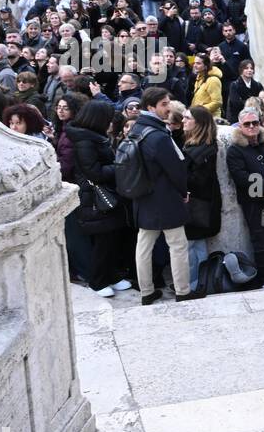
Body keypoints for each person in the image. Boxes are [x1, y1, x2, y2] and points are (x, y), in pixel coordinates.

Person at [128, 88, 194, 303]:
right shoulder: (158, 135)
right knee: (177, 245)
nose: (169, 108)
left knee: (144, 245)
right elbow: (176, 168)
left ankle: (147, 292)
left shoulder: (136, 129)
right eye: (164, 104)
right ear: (151, 108)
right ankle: (183, 292)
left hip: (143, 196)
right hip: (165, 197)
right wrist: (183, 192)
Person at [67, 98, 134, 298]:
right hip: (95, 198)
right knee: (103, 242)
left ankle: (112, 276)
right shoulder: (85, 141)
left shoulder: (92, 137)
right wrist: (120, 165)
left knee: (112, 239)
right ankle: (98, 281)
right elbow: (94, 173)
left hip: (104, 196)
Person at [181, 106, 222, 291]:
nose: (183, 121)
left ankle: (195, 284)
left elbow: (199, 180)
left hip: (198, 203)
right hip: (199, 203)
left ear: (199, 123)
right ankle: (199, 283)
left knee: (192, 246)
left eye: (187, 118)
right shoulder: (197, 145)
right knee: (196, 245)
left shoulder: (204, 149)